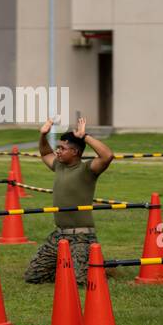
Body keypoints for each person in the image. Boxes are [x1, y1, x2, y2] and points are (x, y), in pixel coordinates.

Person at [23, 117, 114, 286]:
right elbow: (45, 153)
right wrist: (43, 135)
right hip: (59, 235)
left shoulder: (87, 169)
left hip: (81, 238)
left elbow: (107, 155)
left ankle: (98, 266)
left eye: (62, 148)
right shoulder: (59, 165)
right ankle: (73, 267)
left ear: (75, 152)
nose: (57, 151)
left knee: (81, 282)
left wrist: (84, 136)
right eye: (58, 147)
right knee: (33, 276)